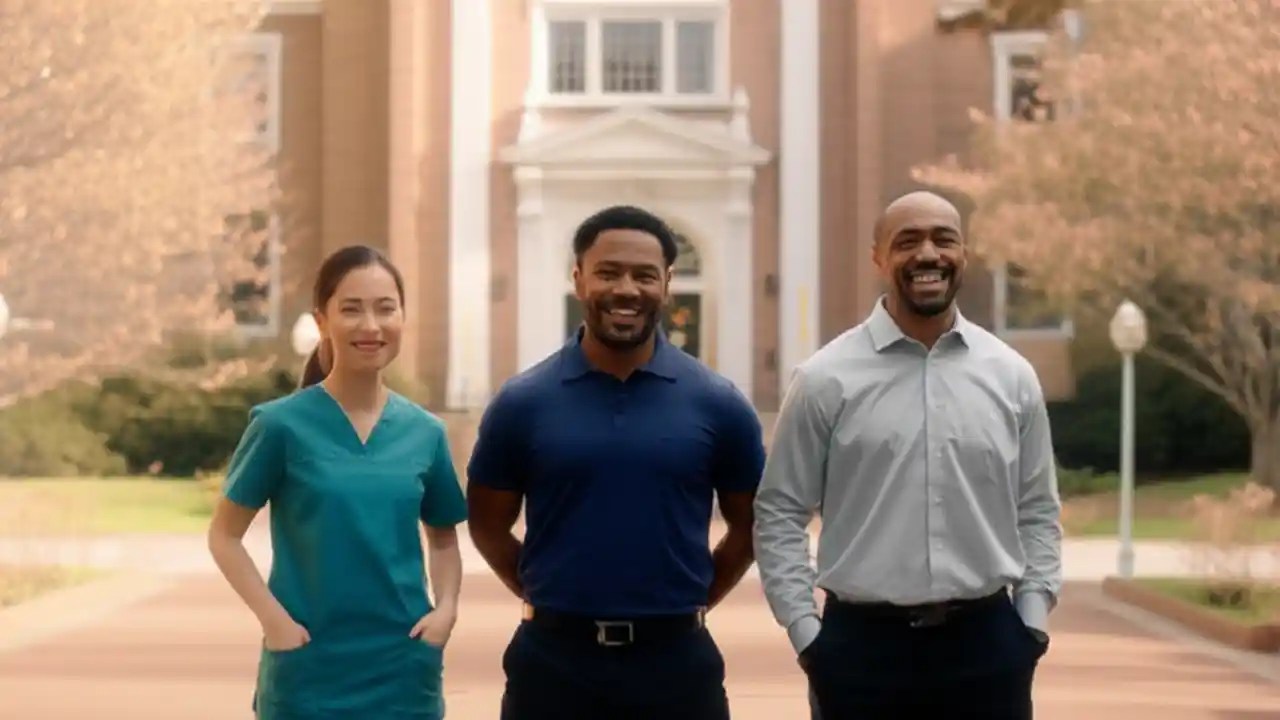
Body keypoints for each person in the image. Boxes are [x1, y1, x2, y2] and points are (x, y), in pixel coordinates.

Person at [753, 191, 1062, 719]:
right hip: (861, 653)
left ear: (964, 254)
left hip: (988, 647)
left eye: (944, 239)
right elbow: (780, 512)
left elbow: (1037, 509)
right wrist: (807, 633)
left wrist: (1029, 622)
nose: (927, 255)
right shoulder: (825, 379)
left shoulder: (1010, 375)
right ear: (879, 258)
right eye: (907, 241)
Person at [466, 205, 765, 720]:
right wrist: (549, 592)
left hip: (676, 666)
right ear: (579, 279)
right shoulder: (522, 402)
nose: (626, 289)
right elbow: (487, 525)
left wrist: (691, 596)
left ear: (668, 283)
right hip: (553, 666)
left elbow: (750, 523)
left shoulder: (719, 403)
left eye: (644, 275)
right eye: (608, 272)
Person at [207, 245, 468, 719]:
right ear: (322, 321)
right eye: (351, 309)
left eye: (385, 308)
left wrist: (446, 609)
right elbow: (224, 536)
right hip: (307, 663)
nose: (371, 326)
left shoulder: (424, 432)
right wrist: (275, 622)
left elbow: (444, 536)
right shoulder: (280, 426)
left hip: (403, 665)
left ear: (403, 318)